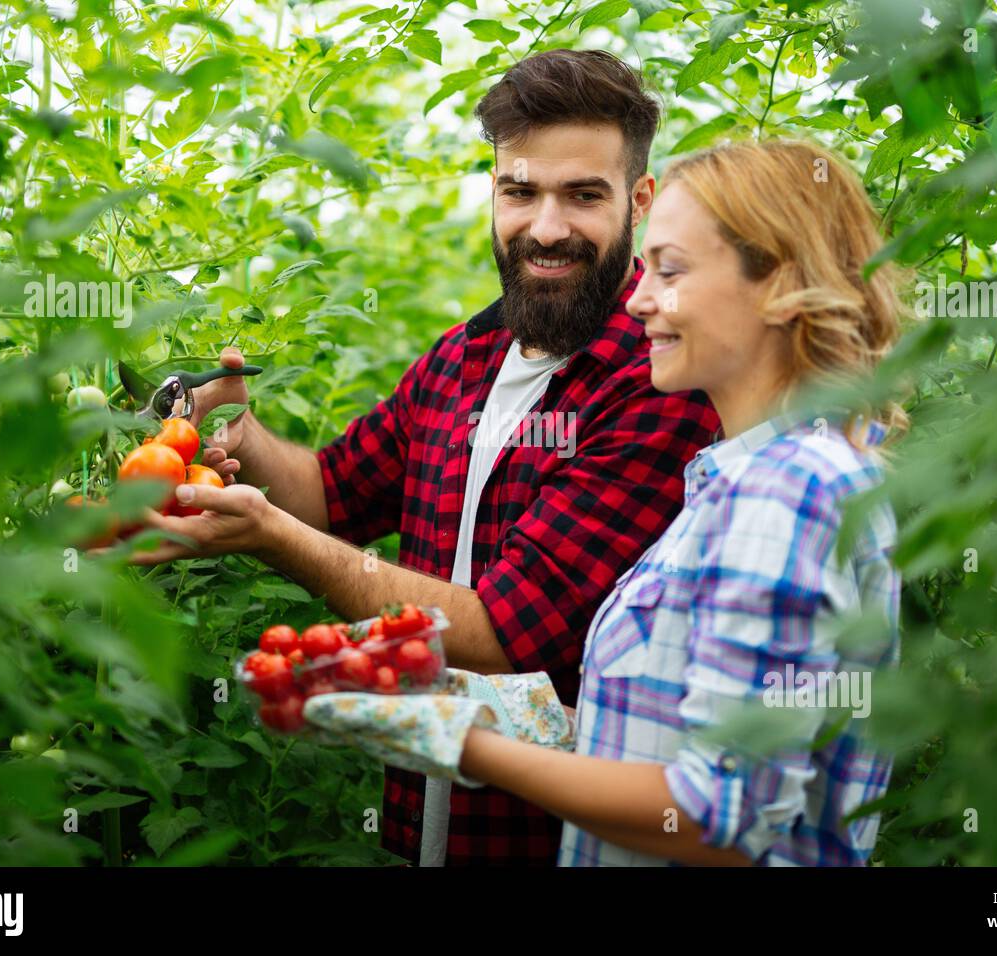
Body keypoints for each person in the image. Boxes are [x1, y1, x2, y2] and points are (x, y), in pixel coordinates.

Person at [128, 50, 720, 866]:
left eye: (583, 195)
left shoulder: (656, 383)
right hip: (420, 831)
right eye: (521, 191)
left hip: (548, 843)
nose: (547, 227)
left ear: (639, 201)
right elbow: (334, 495)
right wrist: (243, 437)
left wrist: (269, 536)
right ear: (494, 194)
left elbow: (507, 633)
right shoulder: (463, 357)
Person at [304, 139, 907, 866]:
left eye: (672, 270)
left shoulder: (787, 492)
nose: (642, 297)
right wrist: (493, 710)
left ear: (778, 284)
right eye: (646, 266)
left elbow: (716, 818)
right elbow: (663, 737)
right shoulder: (743, 479)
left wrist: (464, 745)